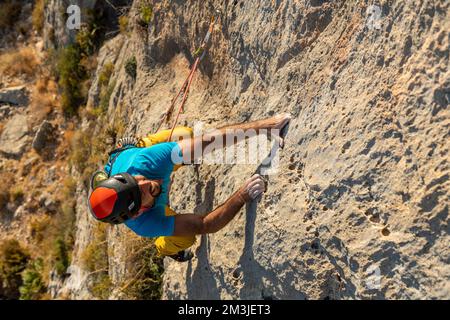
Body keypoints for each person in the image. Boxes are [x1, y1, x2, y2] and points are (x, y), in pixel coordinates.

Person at [88, 114, 291, 262]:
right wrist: (241, 196)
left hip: (133, 153)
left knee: (186, 135)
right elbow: (203, 225)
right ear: (137, 212)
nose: (147, 183)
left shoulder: (146, 162)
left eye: (136, 179)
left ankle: (177, 157)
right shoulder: (145, 223)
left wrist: (265, 126)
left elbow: (208, 142)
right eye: (143, 192)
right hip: (147, 198)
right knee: (186, 237)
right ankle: (165, 249)